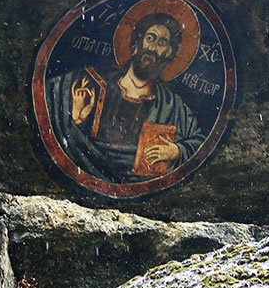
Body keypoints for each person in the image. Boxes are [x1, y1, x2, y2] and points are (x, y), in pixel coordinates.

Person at [45, 11, 204, 183]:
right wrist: (75, 120)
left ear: (169, 53)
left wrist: (176, 151)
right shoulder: (92, 82)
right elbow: (48, 93)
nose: (152, 48)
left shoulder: (172, 105)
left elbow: (199, 142)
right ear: (137, 42)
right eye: (150, 38)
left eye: (162, 43)